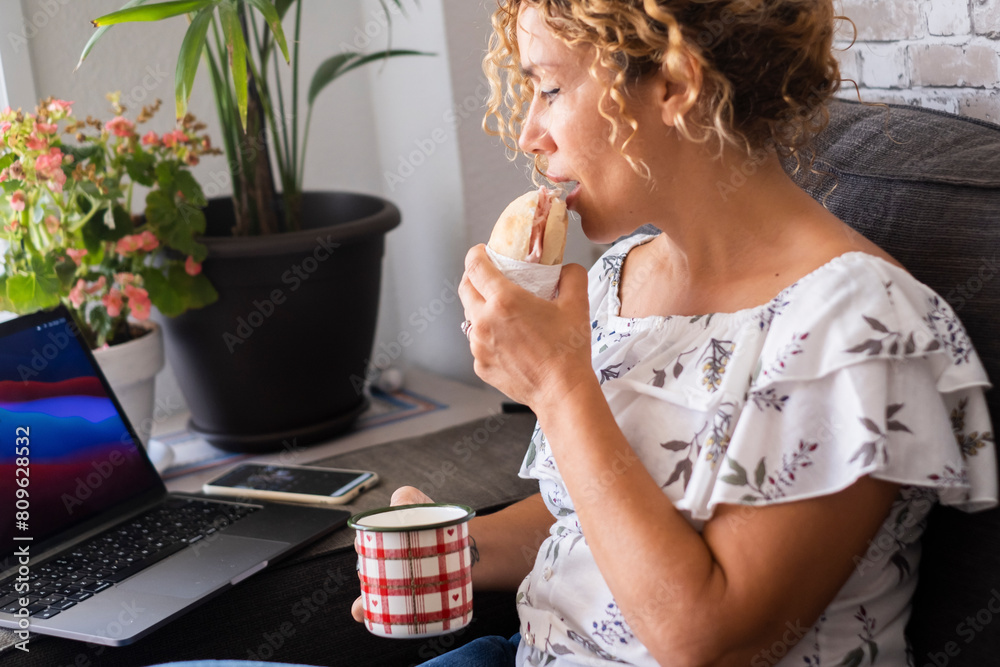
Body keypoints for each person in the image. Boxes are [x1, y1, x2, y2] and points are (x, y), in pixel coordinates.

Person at [155, 1, 996, 666]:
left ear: (673, 83)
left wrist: (560, 384)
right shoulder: (619, 275)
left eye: (550, 88)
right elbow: (585, 516)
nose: (529, 134)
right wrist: (455, 541)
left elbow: (710, 638)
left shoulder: (861, 327)